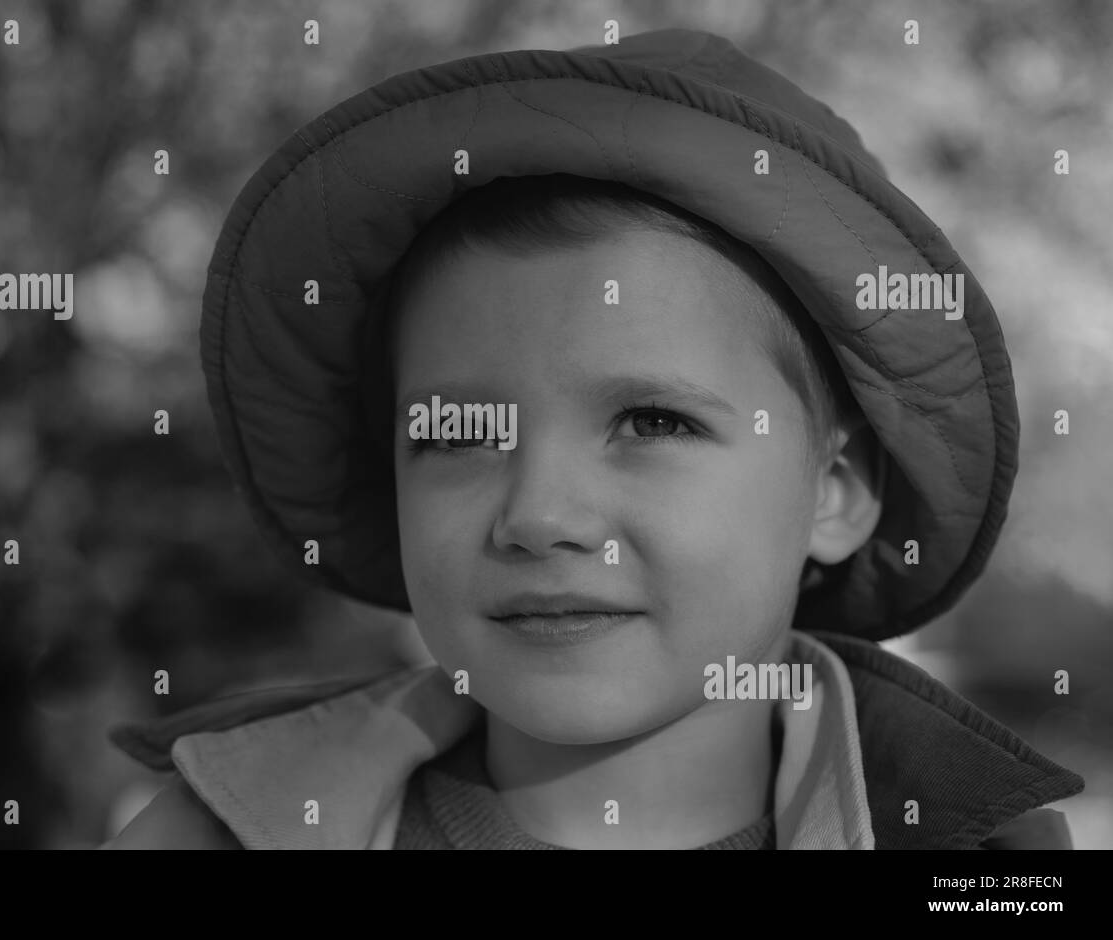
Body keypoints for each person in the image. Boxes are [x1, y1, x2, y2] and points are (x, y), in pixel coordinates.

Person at [101, 26, 1083, 849]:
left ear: (835, 489)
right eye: (455, 433)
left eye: (652, 421)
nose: (538, 514)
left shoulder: (986, 864)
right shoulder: (220, 831)